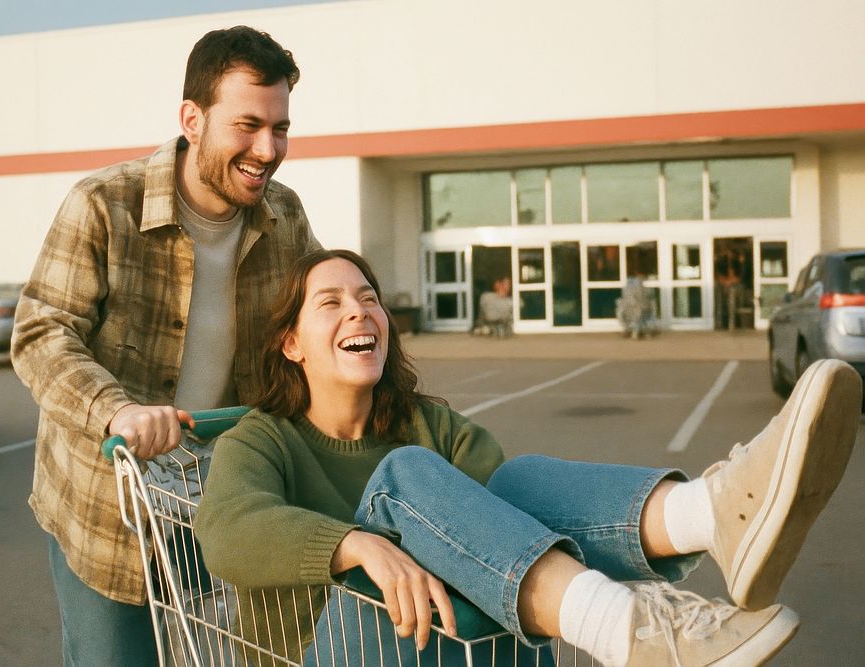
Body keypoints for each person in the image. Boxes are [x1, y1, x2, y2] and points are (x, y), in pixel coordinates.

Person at [195, 249, 862, 666]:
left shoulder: (428, 424)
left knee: (511, 480)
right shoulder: (266, 436)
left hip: (445, 642)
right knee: (406, 475)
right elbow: (224, 531)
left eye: (369, 297)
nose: (359, 312)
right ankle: (628, 624)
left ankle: (709, 512)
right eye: (332, 302)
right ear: (291, 343)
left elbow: (513, 524)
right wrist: (359, 546)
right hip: (329, 652)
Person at [10, 26, 320, 665]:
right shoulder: (103, 205)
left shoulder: (285, 218)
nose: (268, 149)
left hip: (222, 497)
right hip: (108, 509)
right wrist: (116, 411)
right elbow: (42, 333)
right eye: (248, 125)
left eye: (281, 127)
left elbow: (317, 323)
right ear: (193, 119)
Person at [616, 272, 656, 339]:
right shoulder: (633, 289)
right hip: (633, 308)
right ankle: (634, 330)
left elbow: (649, 298)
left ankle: (635, 331)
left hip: (638, 309)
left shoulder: (643, 290)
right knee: (636, 312)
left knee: (638, 312)